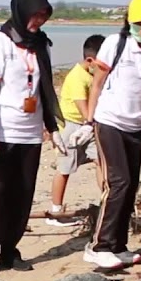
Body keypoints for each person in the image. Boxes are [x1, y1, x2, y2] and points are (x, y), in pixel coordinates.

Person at [0, 0, 67, 281]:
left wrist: (53, 129)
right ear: (21, 11)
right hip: (2, 132)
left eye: (43, 16)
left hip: (29, 134)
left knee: (23, 194)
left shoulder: (42, 45)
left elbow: (43, 90)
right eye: (35, 15)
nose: (38, 21)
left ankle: (10, 251)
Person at [73, 0, 141, 269]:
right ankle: (99, 245)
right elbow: (97, 83)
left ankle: (118, 245)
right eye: (138, 22)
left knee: (131, 184)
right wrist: (89, 120)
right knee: (118, 182)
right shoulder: (116, 43)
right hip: (109, 121)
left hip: (136, 125)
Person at [46, 34, 105, 226]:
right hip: (72, 126)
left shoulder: (94, 75)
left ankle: (107, 198)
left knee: (100, 160)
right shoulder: (77, 77)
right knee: (65, 167)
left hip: (90, 125)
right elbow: (83, 107)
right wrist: (90, 123)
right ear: (90, 60)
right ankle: (56, 210)